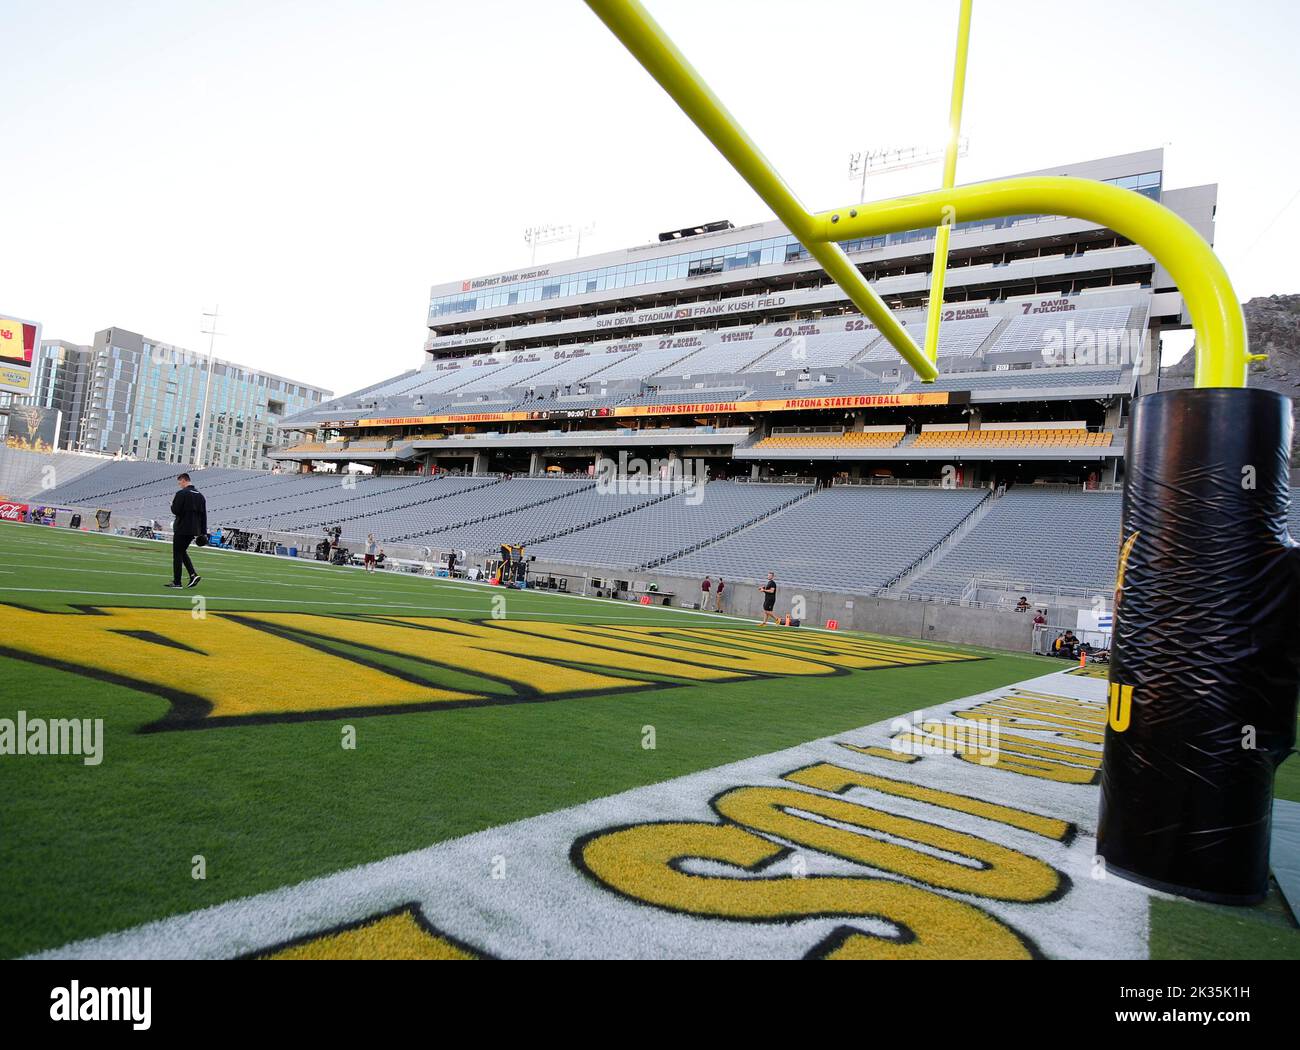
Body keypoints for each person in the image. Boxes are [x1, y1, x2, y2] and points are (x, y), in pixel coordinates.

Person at [166, 473, 207, 589]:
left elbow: (176, 511)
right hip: (194, 530)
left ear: (184, 480)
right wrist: (203, 532)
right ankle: (193, 575)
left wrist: (171, 505)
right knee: (182, 551)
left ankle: (177, 582)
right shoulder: (200, 496)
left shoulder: (181, 493)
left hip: (182, 528)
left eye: (180, 483)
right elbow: (204, 516)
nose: (179, 485)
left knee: (177, 554)